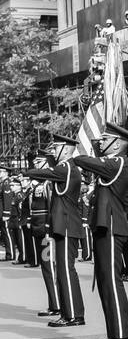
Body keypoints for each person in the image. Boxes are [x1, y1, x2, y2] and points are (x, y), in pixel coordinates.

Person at [72, 123, 128, 339]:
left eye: (104, 139)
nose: (99, 142)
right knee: (105, 282)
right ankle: (115, 334)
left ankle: (121, 335)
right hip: (106, 226)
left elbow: (82, 160)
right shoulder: (112, 165)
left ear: (117, 144)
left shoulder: (117, 162)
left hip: (110, 227)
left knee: (110, 281)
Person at [24, 136, 85, 327]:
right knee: (62, 271)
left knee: (66, 271)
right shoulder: (64, 168)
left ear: (66, 150)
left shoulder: (66, 168)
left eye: (57, 148)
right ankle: (68, 313)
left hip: (66, 224)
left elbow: (39, 173)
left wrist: (28, 171)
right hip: (62, 224)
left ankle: (74, 315)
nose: (53, 152)